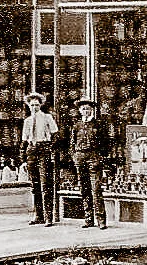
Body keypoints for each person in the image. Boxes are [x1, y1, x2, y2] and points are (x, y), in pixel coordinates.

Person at [68, 97, 110, 229]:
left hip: (94, 157)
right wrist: (75, 156)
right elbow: (72, 143)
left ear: (91, 110)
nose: (86, 111)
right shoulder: (76, 125)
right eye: (83, 109)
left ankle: (101, 220)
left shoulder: (98, 124)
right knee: (84, 189)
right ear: (80, 111)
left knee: (96, 189)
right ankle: (88, 219)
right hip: (80, 157)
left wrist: (100, 156)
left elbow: (105, 142)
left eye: (88, 109)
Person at [19, 91, 59, 226]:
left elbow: (55, 136)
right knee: (35, 185)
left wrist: (49, 148)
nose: (34, 107)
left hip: (43, 149)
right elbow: (24, 141)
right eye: (32, 105)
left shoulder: (47, 117)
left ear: (41, 105)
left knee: (45, 183)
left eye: (36, 105)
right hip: (31, 150)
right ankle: (39, 215)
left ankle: (49, 216)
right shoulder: (27, 121)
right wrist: (23, 158)